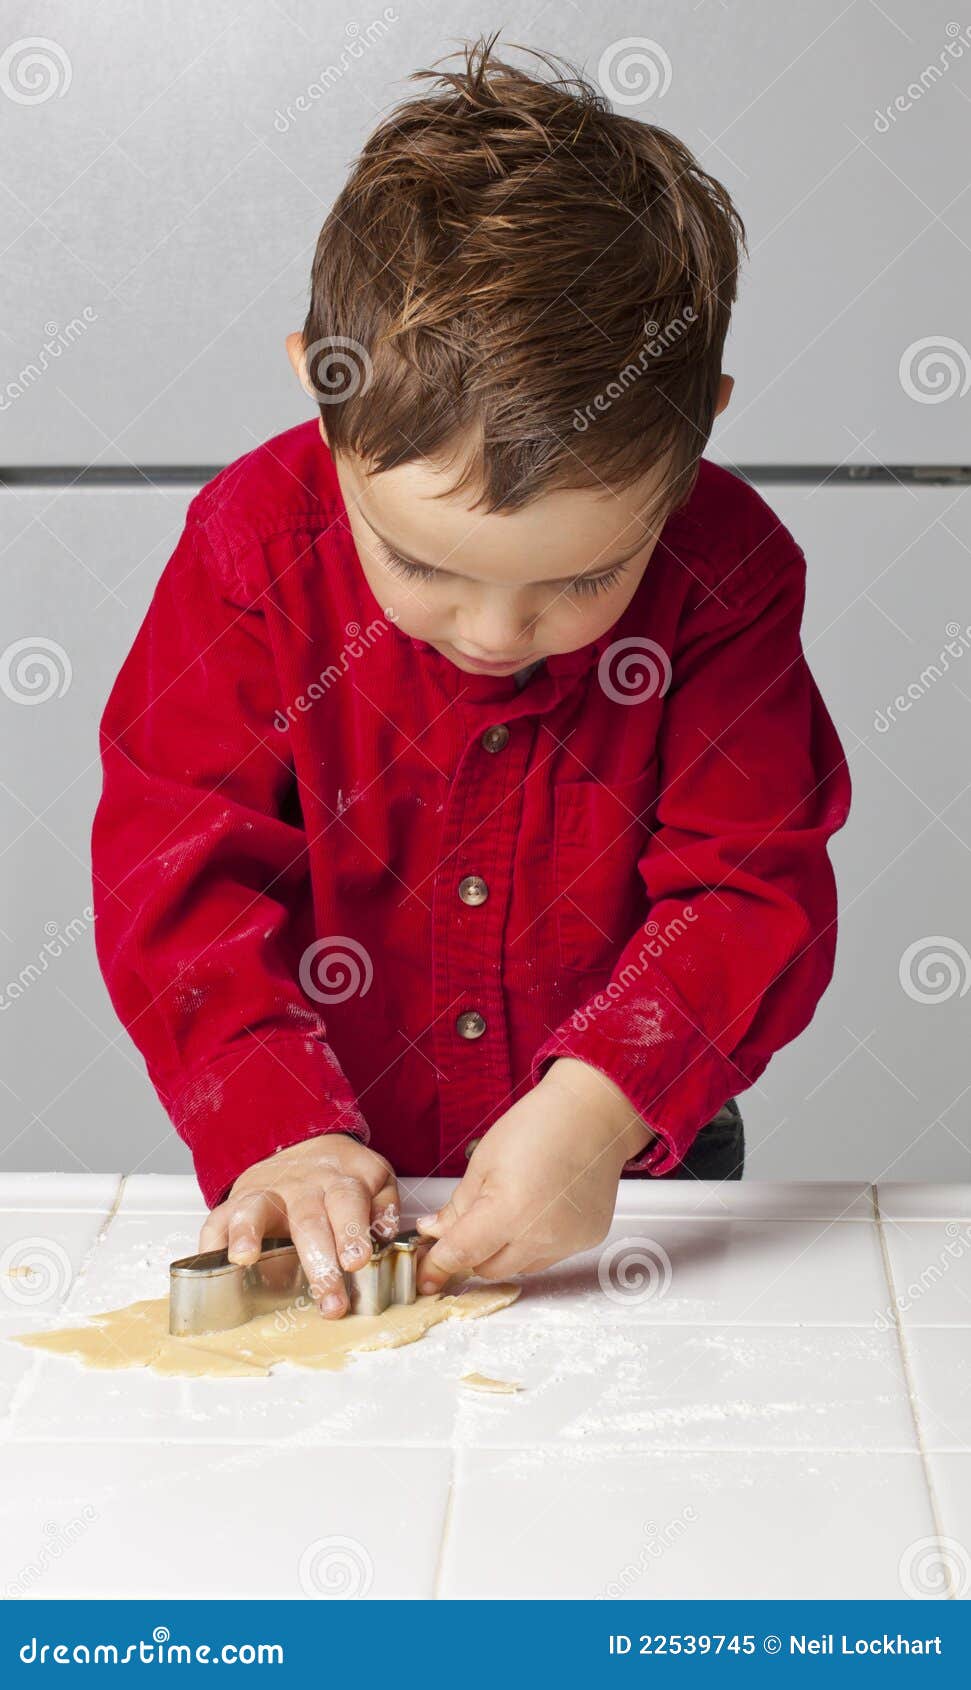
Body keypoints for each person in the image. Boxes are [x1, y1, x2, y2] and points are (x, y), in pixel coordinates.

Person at [92, 37, 850, 1316]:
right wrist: (277, 1119)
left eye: (583, 578)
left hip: (627, 1149)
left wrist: (602, 1106)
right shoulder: (247, 552)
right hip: (321, 1157)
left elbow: (749, 880)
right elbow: (178, 869)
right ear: (323, 397)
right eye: (420, 563)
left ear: (700, 428)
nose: (497, 632)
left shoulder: (730, 576)